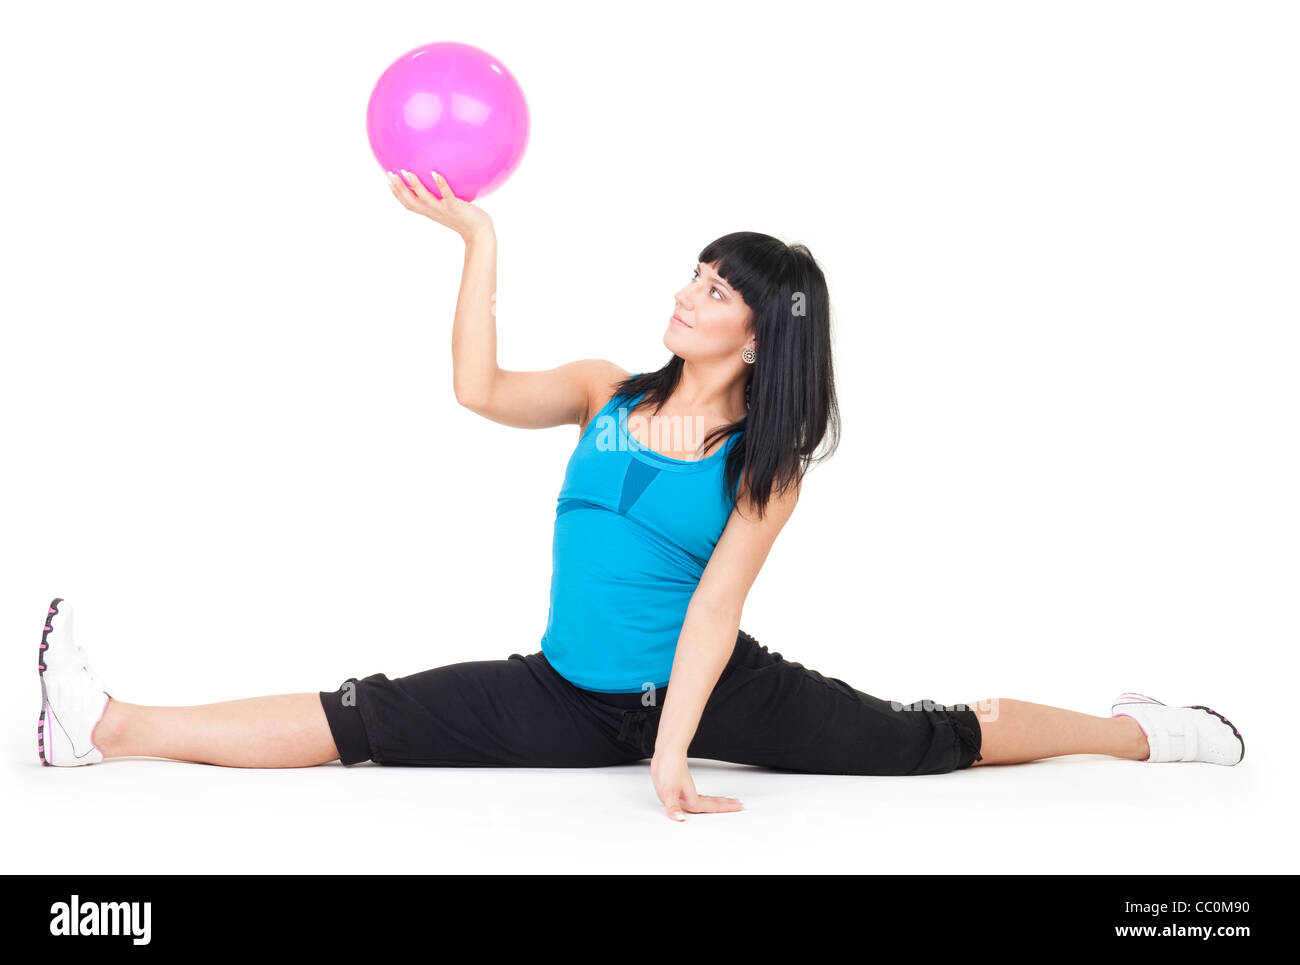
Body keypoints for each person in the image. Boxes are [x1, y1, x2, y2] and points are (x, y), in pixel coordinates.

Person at [35, 169, 1245, 822]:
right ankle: (107, 725)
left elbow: (712, 615)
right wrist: (478, 244)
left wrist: (671, 755)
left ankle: (1140, 727)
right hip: (560, 689)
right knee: (368, 715)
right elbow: (475, 388)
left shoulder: (759, 465)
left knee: (930, 742)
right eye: (695, 272)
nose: (685, 293)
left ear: (764, 337)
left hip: (708, 691)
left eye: (715, 291)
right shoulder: (605, 390)